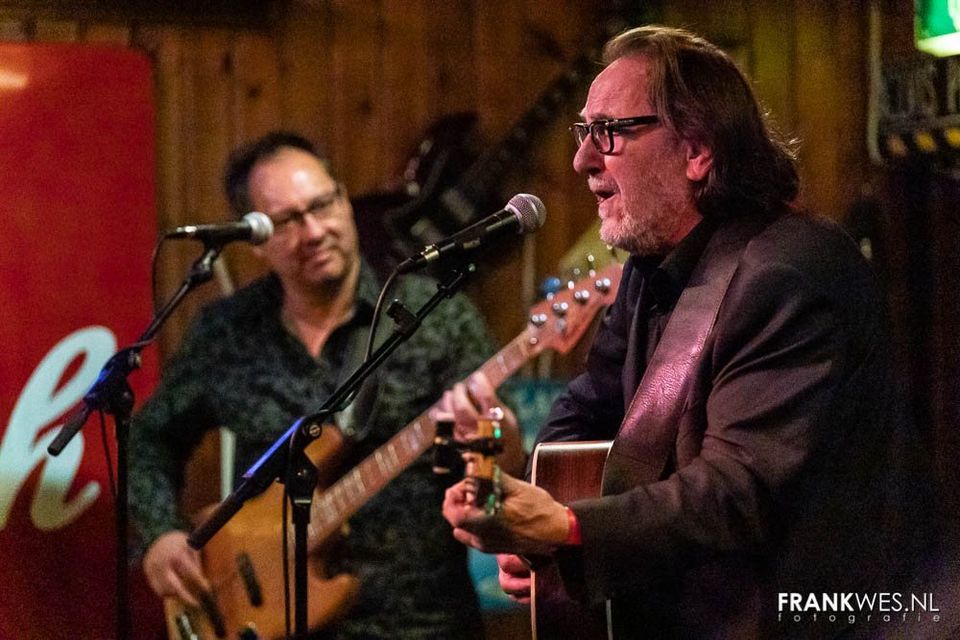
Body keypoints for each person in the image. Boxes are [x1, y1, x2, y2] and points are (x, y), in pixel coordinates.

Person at [443, 25, 930, 639]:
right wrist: (543, 529)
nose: (582, 159)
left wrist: (569, 530)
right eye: (583, 132)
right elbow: (586, 412)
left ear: (697, 151)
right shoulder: (651, 268)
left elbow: (739, 489)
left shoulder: (791, 273)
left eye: (609, 134)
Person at [129, 131, 523, 639]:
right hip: (267, 617)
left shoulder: (434, 314)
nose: (314, 231)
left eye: (323, 204)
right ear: (256, 241)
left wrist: (498, 432)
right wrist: (160, 535)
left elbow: (507, 457)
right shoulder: (226, 332)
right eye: (289, 220)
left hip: (421, 620)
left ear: (344, 200)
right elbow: (149, 439)